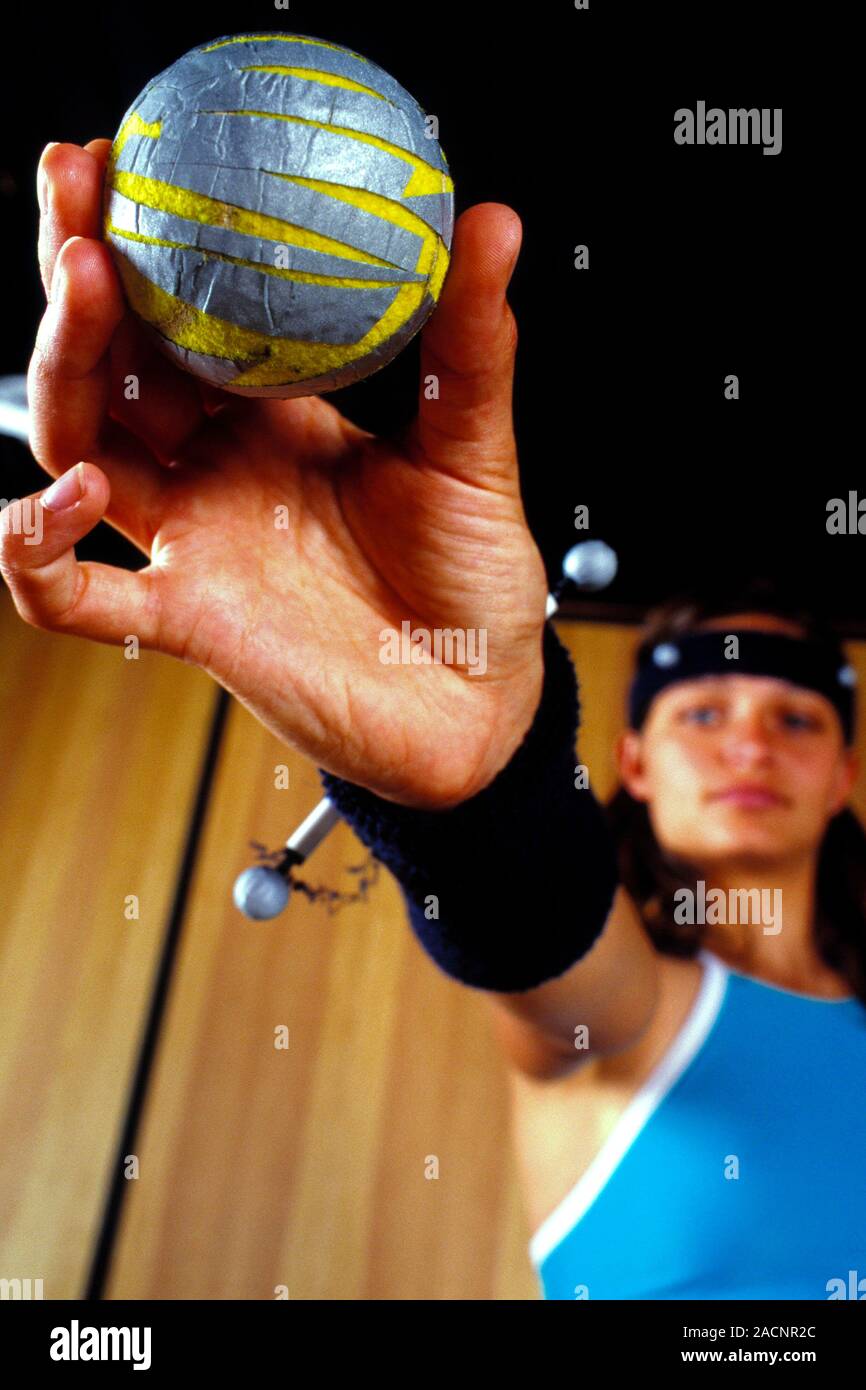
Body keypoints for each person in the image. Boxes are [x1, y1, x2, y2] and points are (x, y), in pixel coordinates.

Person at [4, 141, 865, 1302]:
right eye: (704, 708)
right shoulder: (619, 1020)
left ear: (846, 772)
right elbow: (544, 939)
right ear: (632, 762)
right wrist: (481, 792)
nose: (749, 744)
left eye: (795, 722)